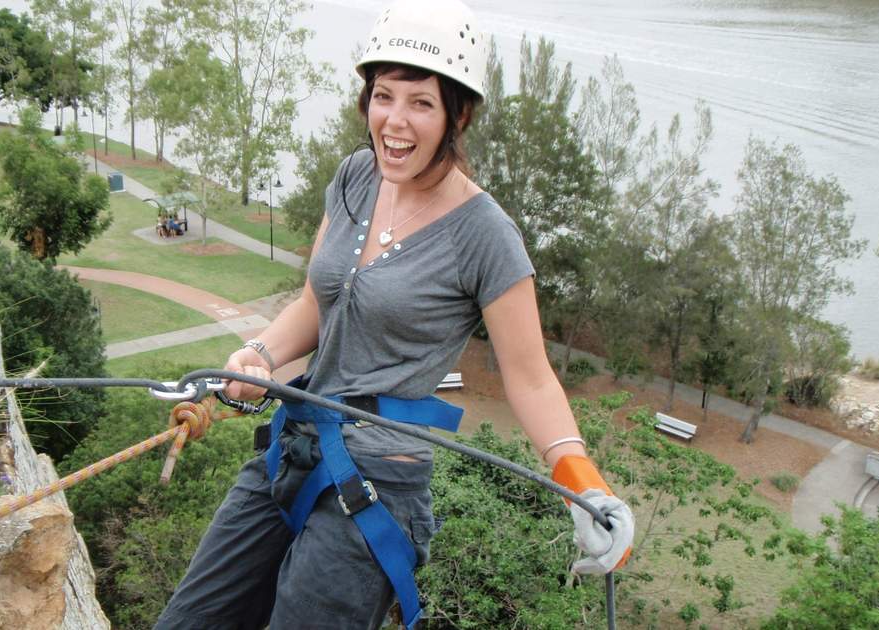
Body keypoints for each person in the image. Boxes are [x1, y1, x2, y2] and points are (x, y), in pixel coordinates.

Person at [155, 1, 634, 628]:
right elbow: (313, 304)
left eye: (421, 103)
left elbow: (531, 376)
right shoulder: (356, 176)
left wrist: (582, 481)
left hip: (377, 483)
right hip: (294, 447)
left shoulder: (486, 235)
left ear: (457, 114)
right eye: (384, 96)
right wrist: (260, 357)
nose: (395, 122)